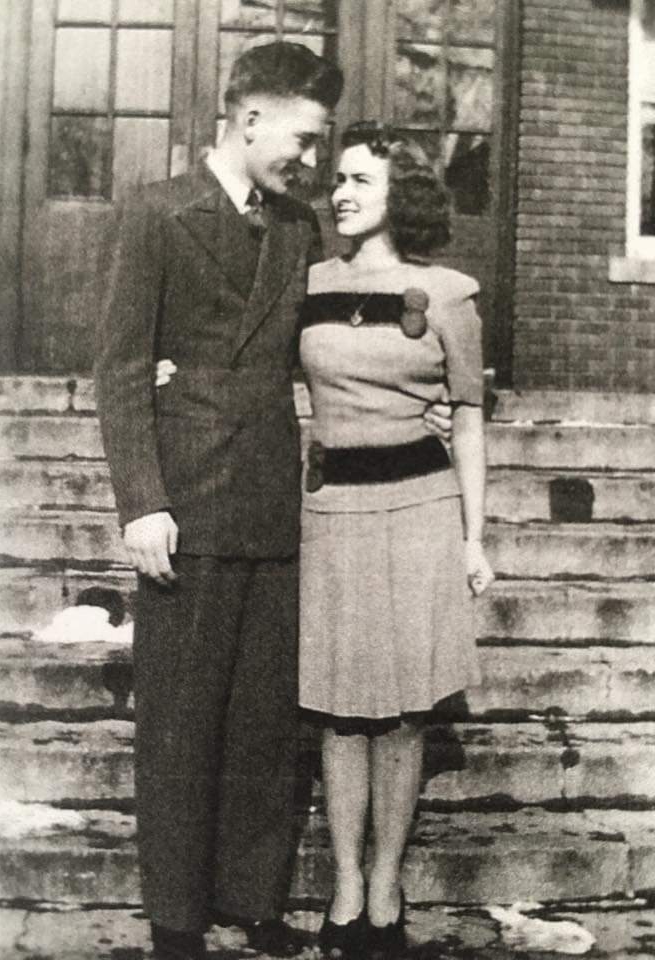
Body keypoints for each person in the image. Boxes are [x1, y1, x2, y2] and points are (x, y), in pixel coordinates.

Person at [95, 42, 343, 960]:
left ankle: (252, 896)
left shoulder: (297, 227)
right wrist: (142, 502)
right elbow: (121, 369)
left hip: (270, 502)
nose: (310, 162)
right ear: (249, 120)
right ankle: (177, 916)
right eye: (305, 141)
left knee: (262, 720)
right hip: (185, 506)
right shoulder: (158, 213)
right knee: (180, 721)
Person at [298, 122, 495, 959]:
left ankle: (386, 889)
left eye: (361, 182)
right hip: (331, 510)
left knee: (405, 713)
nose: (341, 193)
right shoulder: (303, 283)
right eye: (337, 178)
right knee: (342, 713)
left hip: (421, 508)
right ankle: (345, 887)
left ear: (400, 196)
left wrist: (474, 536)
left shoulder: (447, 293)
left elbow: (472, 421)